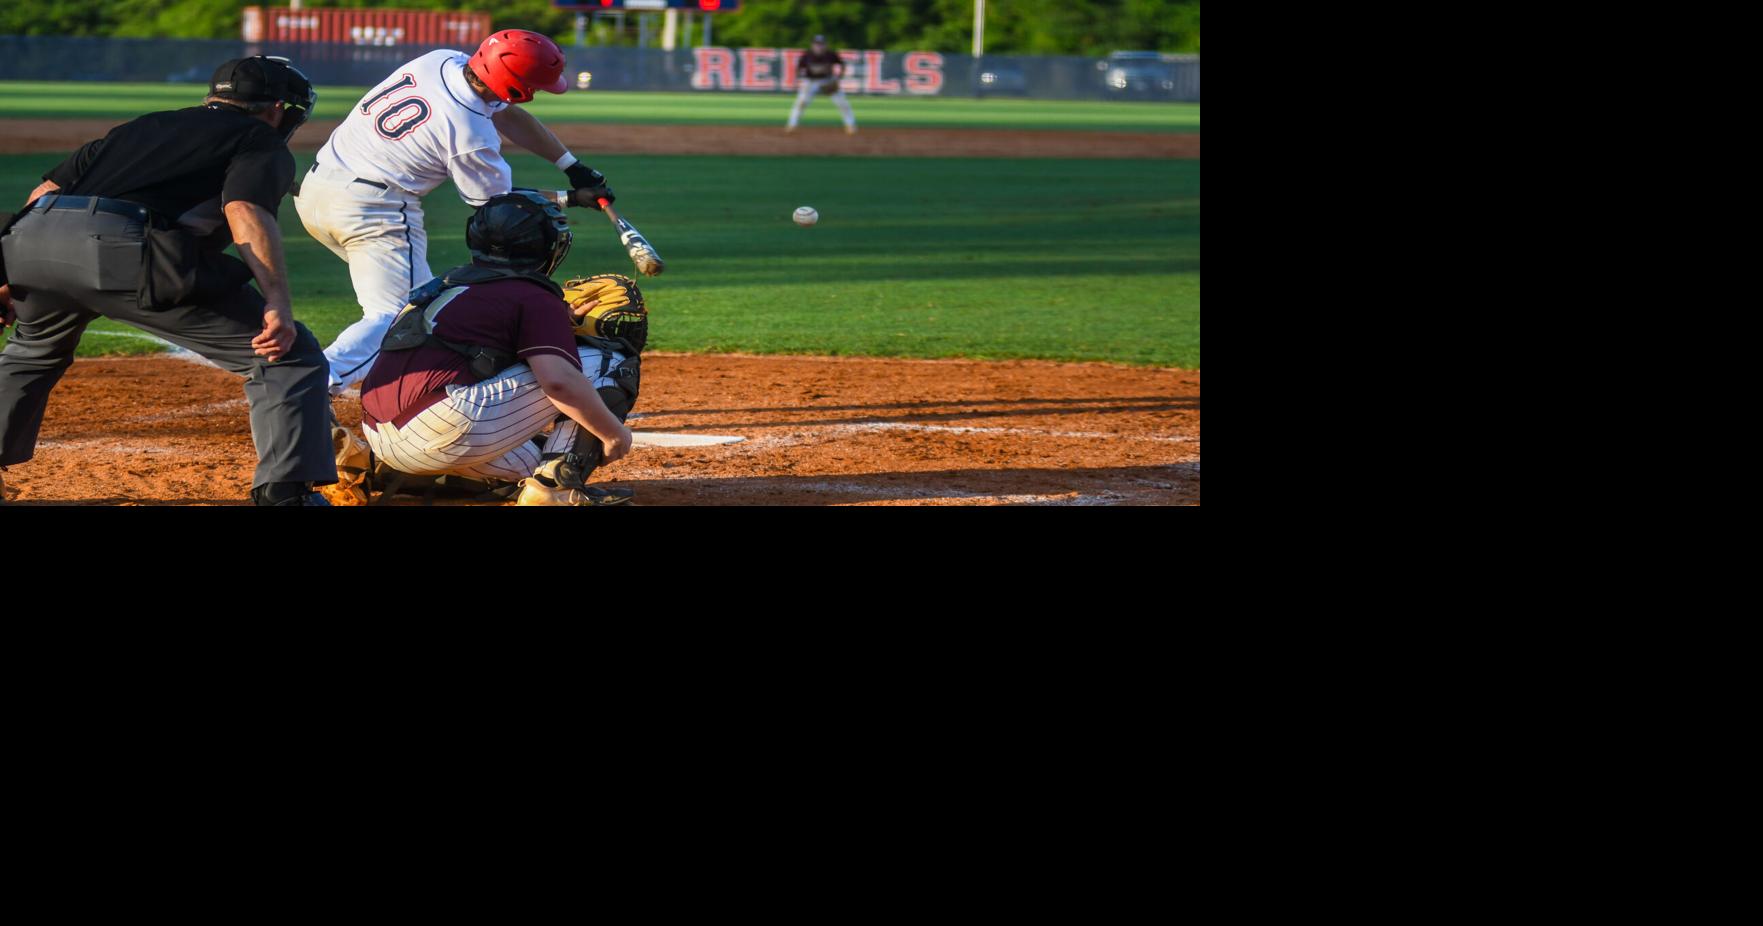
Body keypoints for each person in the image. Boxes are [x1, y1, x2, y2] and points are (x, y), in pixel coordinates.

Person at [0, 56, 336, 507]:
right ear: (278, 110)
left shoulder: (144, 125)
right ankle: (286, 494)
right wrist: (277, 300)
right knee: (287, 357)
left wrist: (9, 275)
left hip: (30, 240)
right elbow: (244, 211)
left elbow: (44, 196)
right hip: (121, 250)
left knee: (31, 352)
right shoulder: (258, 138)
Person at [296, 28, 616, 398]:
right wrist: (570, 198)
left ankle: (412, 387)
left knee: (427, 307)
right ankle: (314, 383)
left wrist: (569, 164)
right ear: (518, 87)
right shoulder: (469, 134)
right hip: (374, 210)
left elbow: (505, 113)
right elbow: (500, 209)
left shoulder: (441, 60)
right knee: (398, 316)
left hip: (318, 191)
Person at [353, 190, 640, 507]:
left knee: (537, 462)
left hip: (381, 436)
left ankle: (390, 472)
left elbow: (479, 343)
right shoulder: (531, 294)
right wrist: (614, 434)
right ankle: (554, 490)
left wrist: (559, 322)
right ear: (547, 246)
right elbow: (558, 381)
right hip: (443, 430)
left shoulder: (447, 282)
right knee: (609, 357)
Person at [786, 35, 857, 135]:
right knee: (800, 103)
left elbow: (842, 65)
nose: (819, 47)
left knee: (843, 103)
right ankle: (792, 125)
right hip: (811, 82)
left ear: (826, 45)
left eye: (822, 44)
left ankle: (850, 125)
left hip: (828, 81)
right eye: (817, 44)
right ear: (812, 45)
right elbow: (798, 69)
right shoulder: (807, 56)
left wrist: (838, 78)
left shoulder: (830, 55)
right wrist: (797, 81)